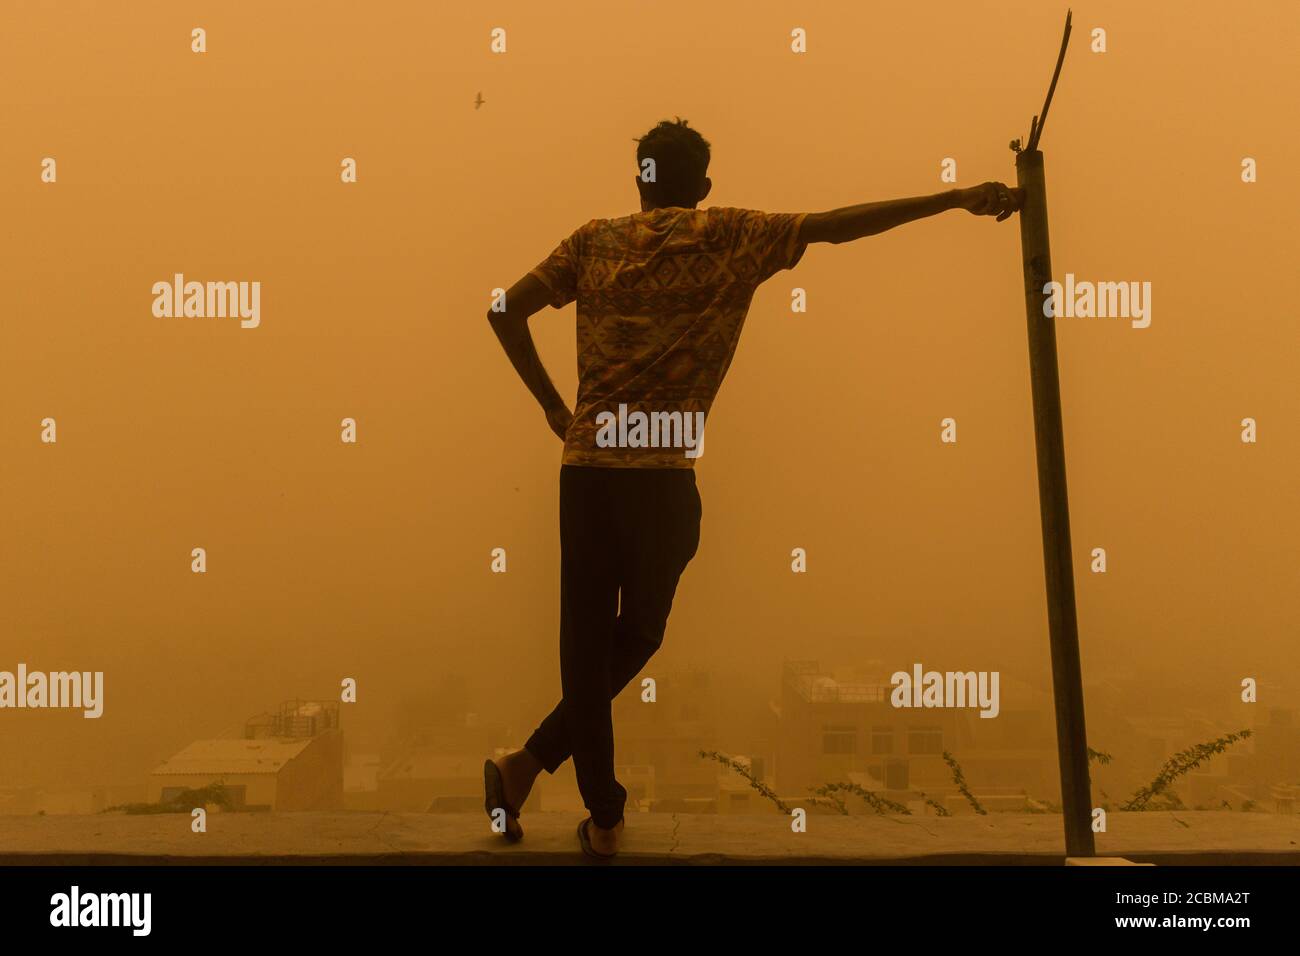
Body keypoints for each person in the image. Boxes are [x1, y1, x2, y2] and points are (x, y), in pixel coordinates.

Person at [485, 117, 1023, 859]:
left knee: (585, 645)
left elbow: (503, 309)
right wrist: (954, 197)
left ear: (640, 182)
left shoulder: (593, 241)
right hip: (663, 481)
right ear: (704, 186)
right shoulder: (732, 236)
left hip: (587, 474)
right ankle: (587, 808)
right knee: (637, 635)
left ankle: (544, 780)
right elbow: (839, 225)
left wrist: (554, 408)